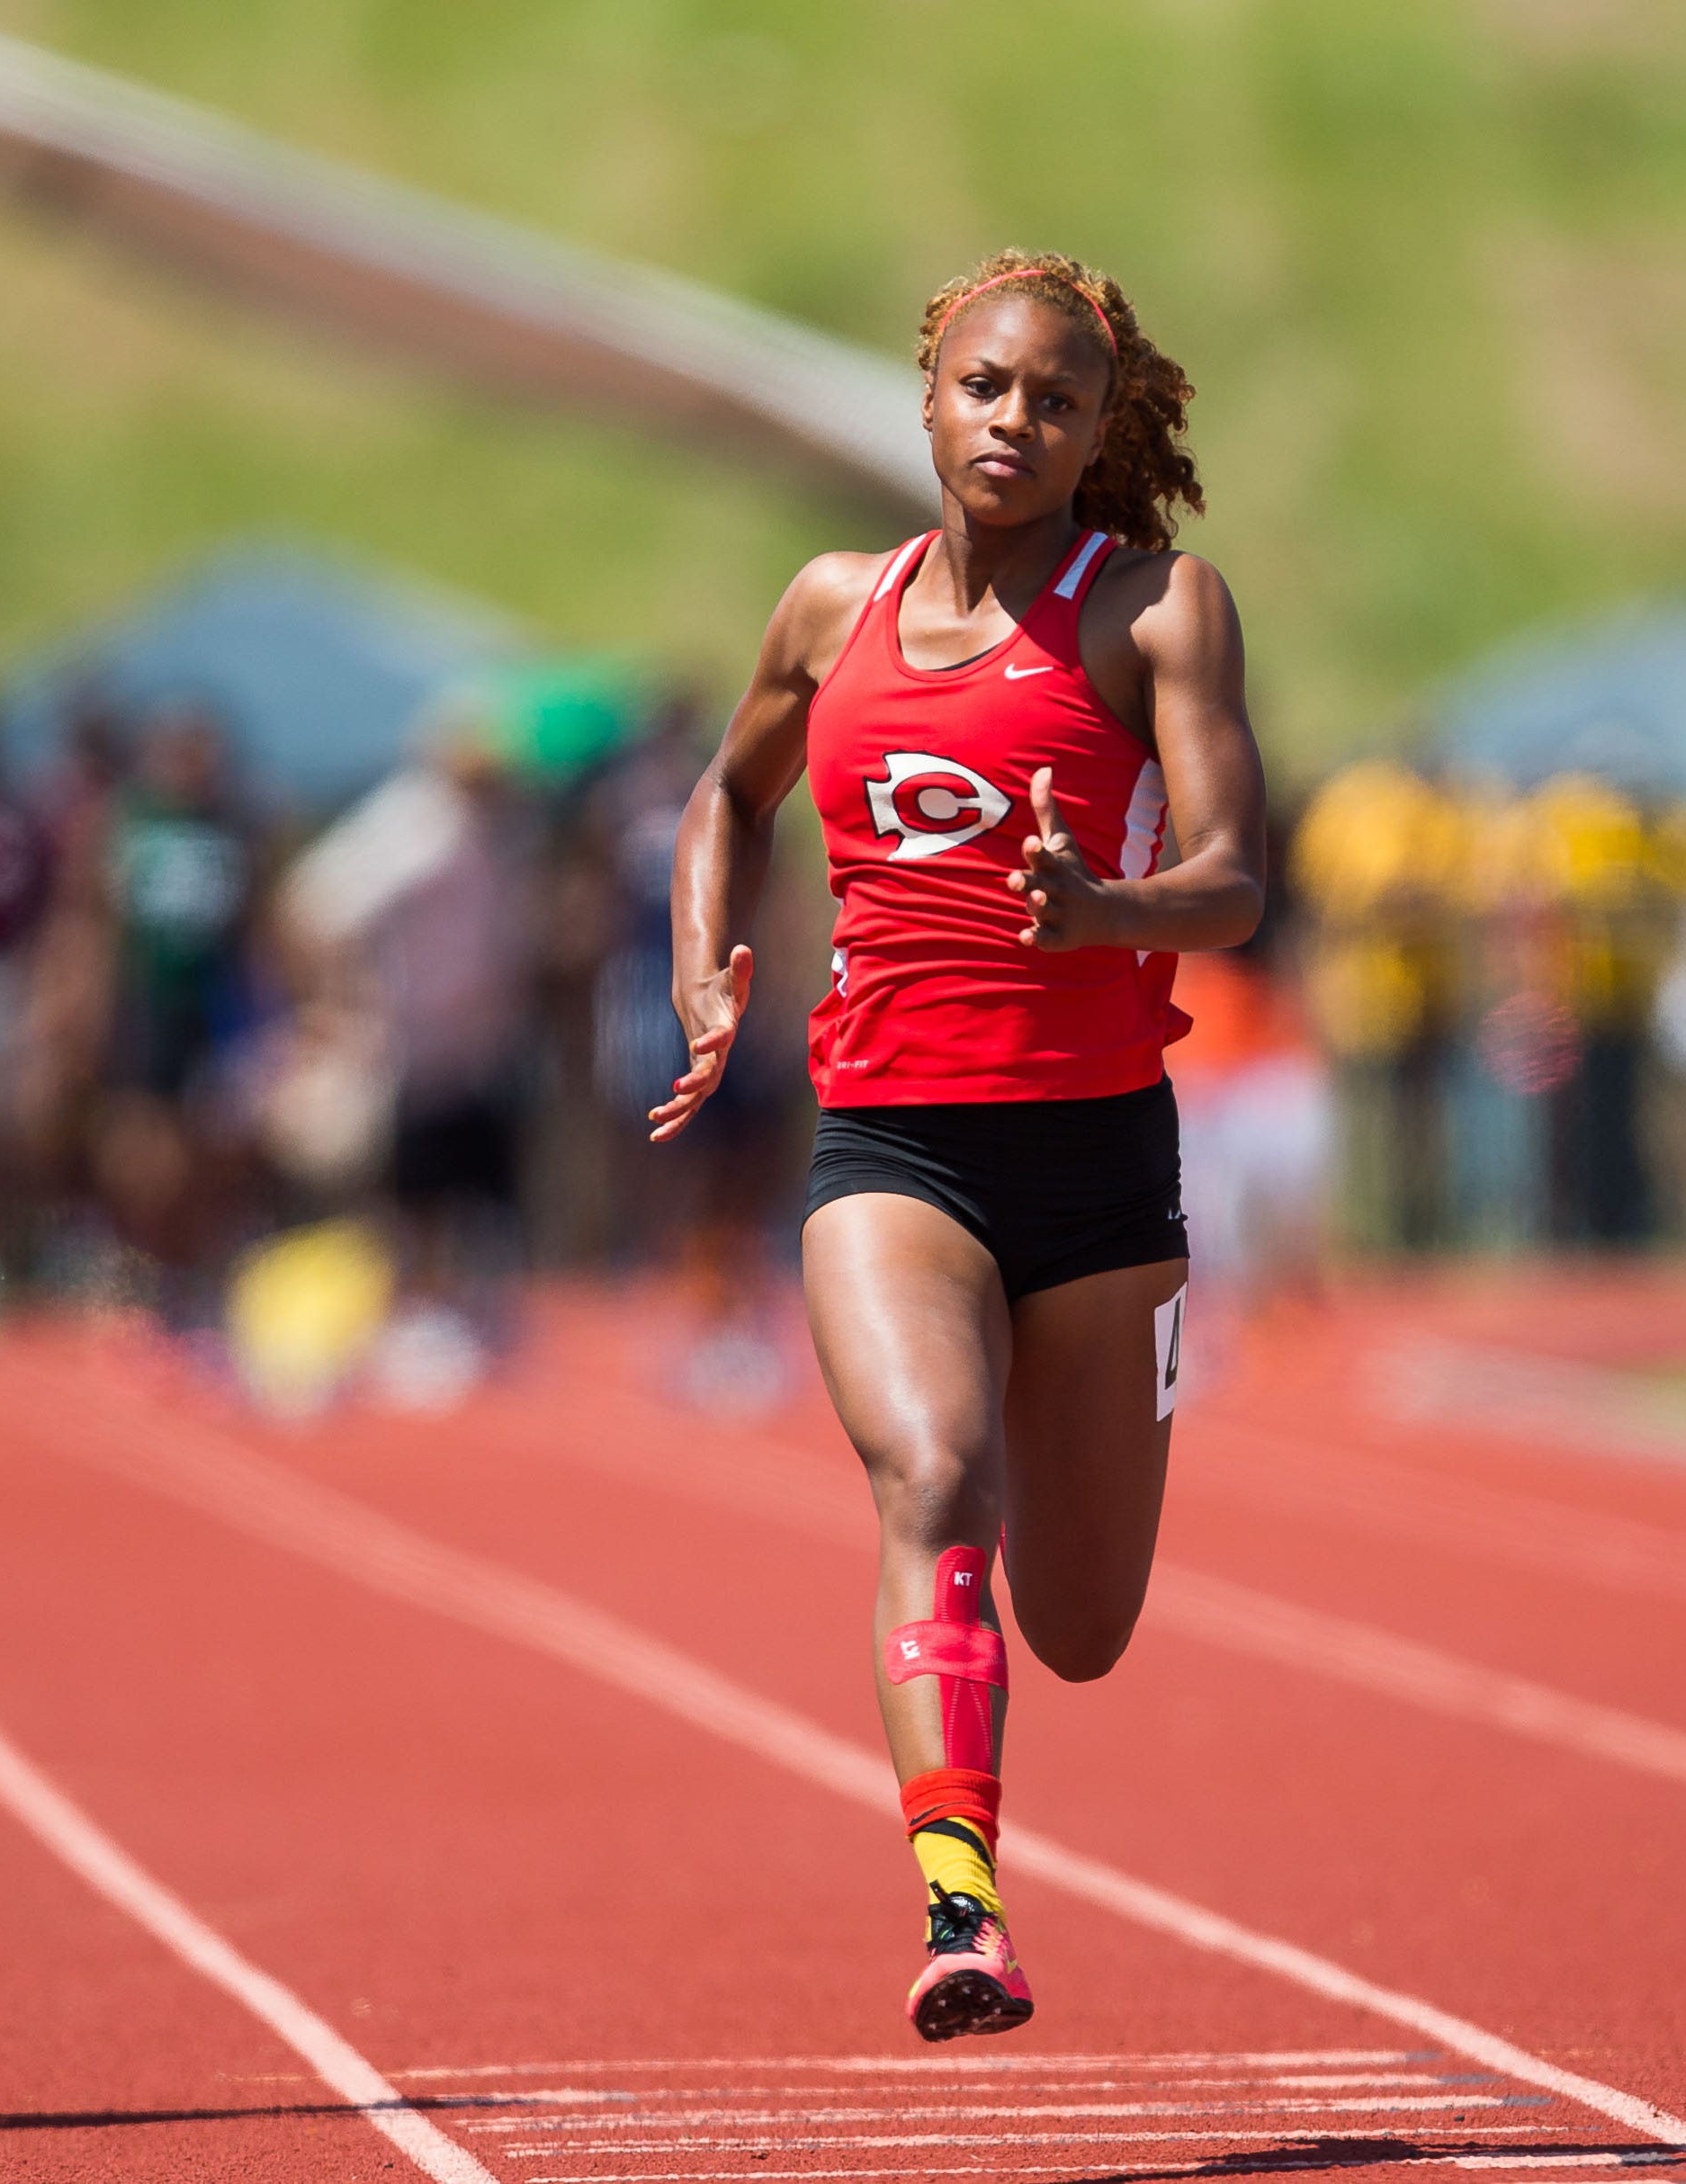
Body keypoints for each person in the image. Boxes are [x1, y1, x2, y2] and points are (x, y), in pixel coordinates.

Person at [653, 250, 1263, 2037]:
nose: (1016, 420)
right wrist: (703, 968)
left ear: (1096, 430)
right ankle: (959, 1899)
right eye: (986, 387)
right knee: (932, 1477)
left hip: (1100, 1167)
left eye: (1055, 400)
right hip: (890, 1142)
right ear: (926, 396)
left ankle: (973, 1810)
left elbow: (1232, 878)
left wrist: (1108, 907)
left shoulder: (1158, 608)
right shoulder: (830, 605)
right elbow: (725, 790)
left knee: (1078, 1620)